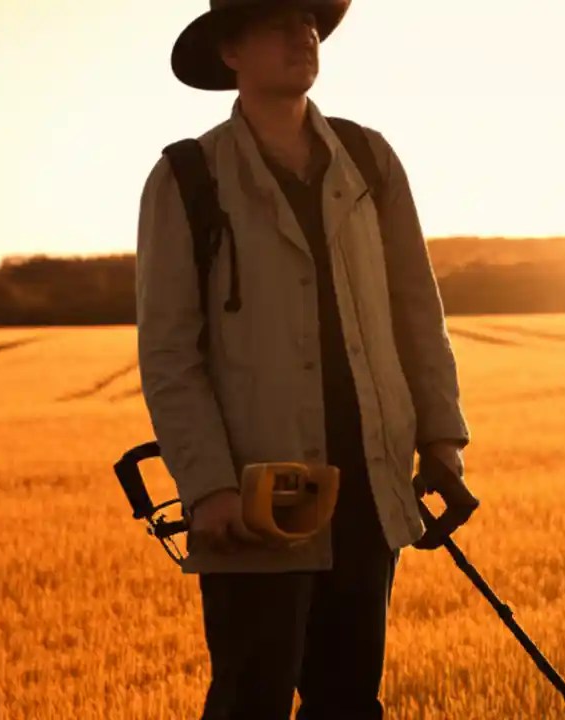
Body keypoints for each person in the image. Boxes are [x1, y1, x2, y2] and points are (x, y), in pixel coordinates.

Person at [135, 0, 475, 717]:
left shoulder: (371, 160)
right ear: (230, 50)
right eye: (279, 20)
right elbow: (170, 355)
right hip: (257, 495)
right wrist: (208, 488)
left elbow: (417, 308)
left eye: (312, 20)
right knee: (248, 703)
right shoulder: (186, 178)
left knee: (349, 704)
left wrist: (441, 437)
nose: (305, 33)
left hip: (369, 489)